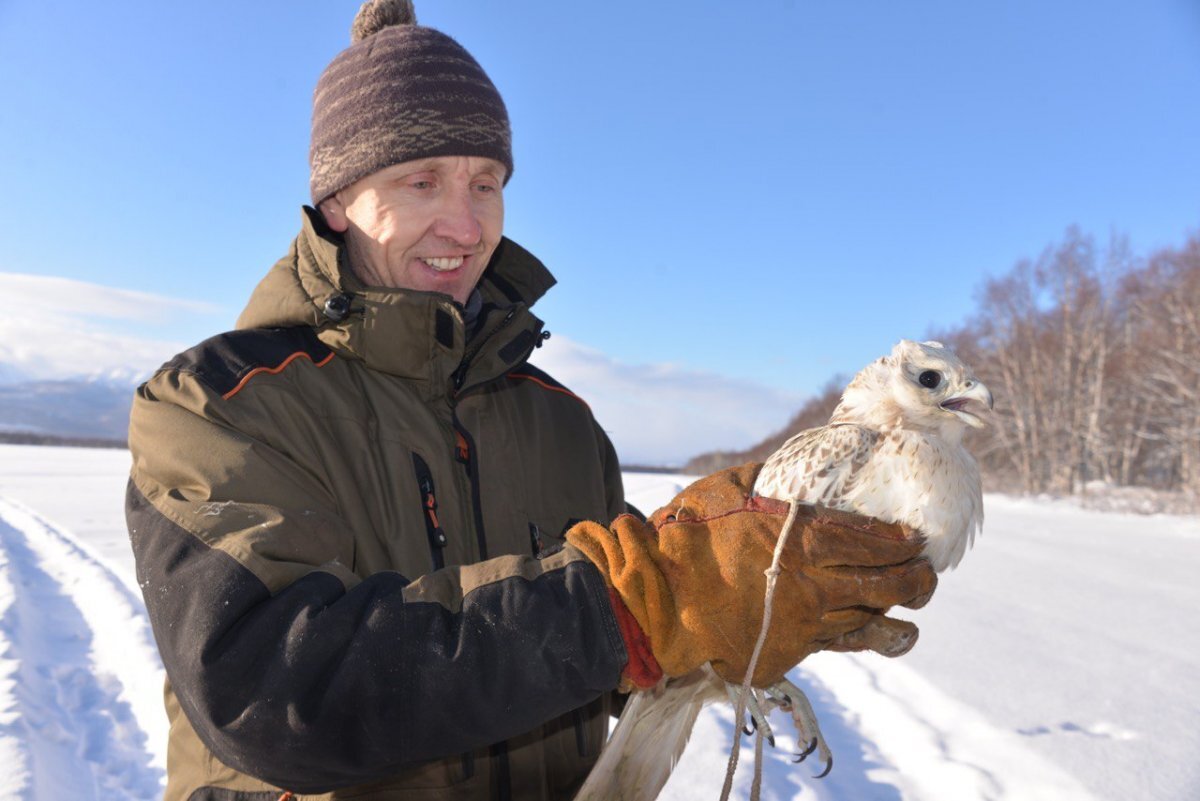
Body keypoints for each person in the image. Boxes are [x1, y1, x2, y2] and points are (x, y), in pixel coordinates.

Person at [126, 2, 937, 799]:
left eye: (487, 183)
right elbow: (278, 694)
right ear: (339, 201)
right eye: (421, 180)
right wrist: (634, 604)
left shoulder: (561, 424)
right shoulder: (213, 407)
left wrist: (736, 606)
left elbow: (618, 661)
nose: (465, 222)